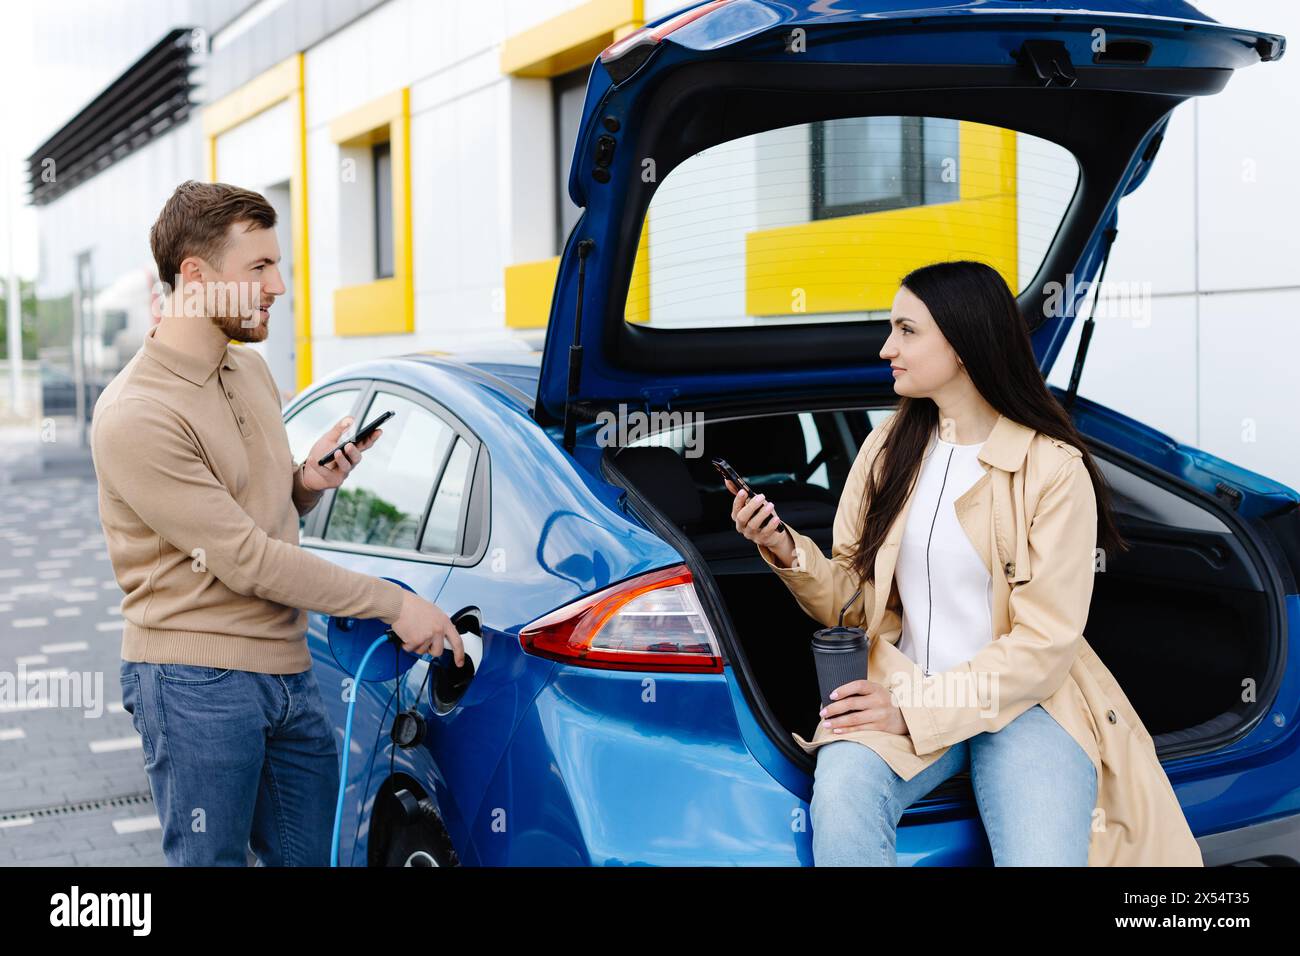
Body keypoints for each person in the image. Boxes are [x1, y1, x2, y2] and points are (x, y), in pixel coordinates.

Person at [91, 180, 464, 866]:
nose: (280, 286)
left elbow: (253, 518)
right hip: (194, 683)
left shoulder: (252, 371)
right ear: (196, 277)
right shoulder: (135, 415)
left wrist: (303, 486)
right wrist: (393, 603)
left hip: (289, 673)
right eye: (258, 268)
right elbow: (246, 559)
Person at [727, 259, 1132, 866]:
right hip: (900, 685)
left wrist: (915, 711)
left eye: (907, 330)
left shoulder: (1052, 468)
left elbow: (1046, 643)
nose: (887, 347)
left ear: (964, 344)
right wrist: (786, 550)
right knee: (839, 801)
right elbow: (857, 604)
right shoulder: (885, 451)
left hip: (1026, 706)